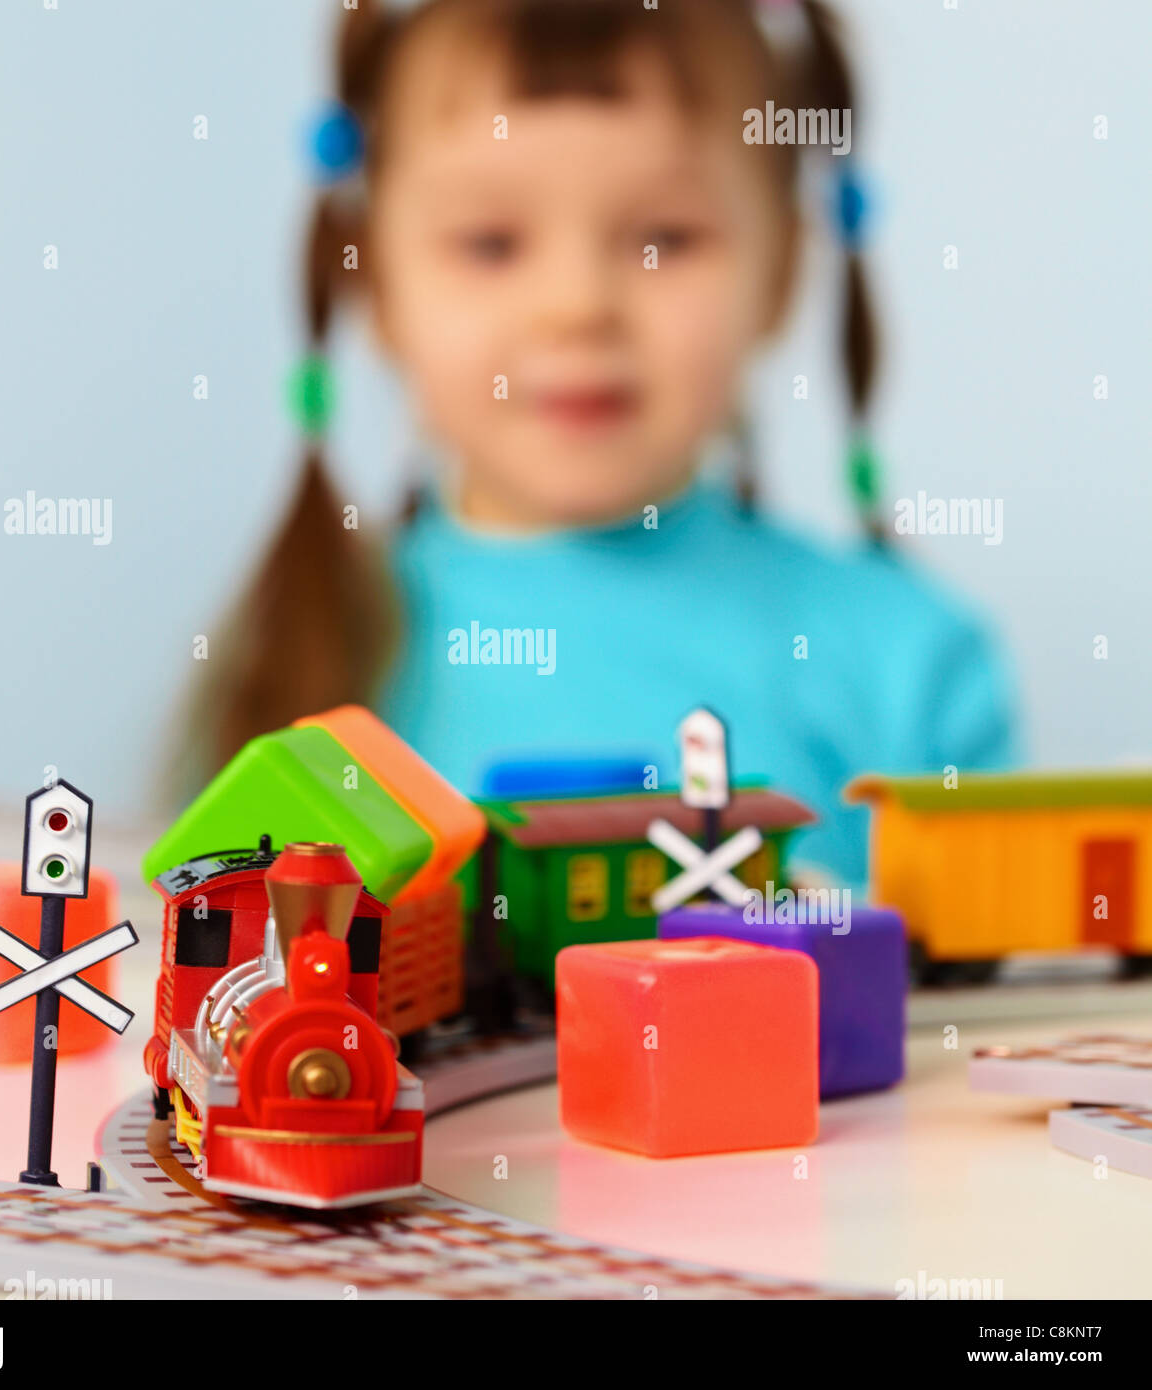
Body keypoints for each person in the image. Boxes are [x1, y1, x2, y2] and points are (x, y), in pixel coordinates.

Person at [185, 0, 1017, 885]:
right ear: (371, 280)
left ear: (780, 272)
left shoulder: (910, 660)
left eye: (664, 239)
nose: (577, 304)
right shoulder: (302, 639)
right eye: (492, 243)